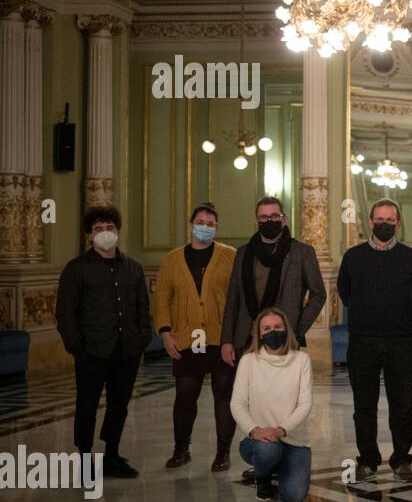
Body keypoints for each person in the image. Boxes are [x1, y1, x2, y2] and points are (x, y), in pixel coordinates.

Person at [55, 205, 153, 478]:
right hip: (92, 350)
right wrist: (76, 346)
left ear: (118, 231)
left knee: (119, 405)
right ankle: (84, 459)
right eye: (98, 229)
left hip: (127, 349)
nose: (105, 233)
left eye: (109, 228)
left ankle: (112, 455)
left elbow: (143, 307)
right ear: (89, 235)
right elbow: (66, 311)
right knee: (86, 405)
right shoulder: (76, 269)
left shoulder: (133, 267)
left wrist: (143, 337)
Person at [337, 198, 412, 483]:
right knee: (363, 405)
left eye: (390, 220)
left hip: (400, 341)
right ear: (370, 221)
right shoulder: (353, 256)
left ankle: (402, 460)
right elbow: (345, 292)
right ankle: (367, 460)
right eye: (380, 219)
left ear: (398, 223)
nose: (384, 224)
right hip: (362, 341)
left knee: (401, 404)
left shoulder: (410, 257)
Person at [155, 203, 237, 472]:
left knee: (223, 396)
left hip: (220, 338)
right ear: (191, 224)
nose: (205, 227)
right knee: (185, 396)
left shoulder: (230, 256)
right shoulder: (172, 259)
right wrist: (165, 332)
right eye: (200, 222)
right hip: (186, 338)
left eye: (210, 224)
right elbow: (162, 299)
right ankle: (181, 449)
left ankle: (223, 452)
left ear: (216, 228)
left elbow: (237, 298)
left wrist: (234, 337)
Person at [220, 196, 326, 362]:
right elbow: (233, 297)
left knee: (282, 388)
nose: (269, 220)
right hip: (247, 337)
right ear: (257, 220)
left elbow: (318, 294)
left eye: (274, 216)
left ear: (284, 219)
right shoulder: (243, 253)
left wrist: (297, 330)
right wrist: (226, 340)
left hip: (285, 337)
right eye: (264, 217)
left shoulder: (302, 252)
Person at [232, 307, 314, 502]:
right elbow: (238, 403)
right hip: (258, 441)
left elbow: (305, 404)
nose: (272, 332)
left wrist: (281, 430)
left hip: (293, 440)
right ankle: (263, 478)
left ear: (286, 329)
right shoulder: (248, 361)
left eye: (277, 326)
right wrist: (254, 430)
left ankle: (277, 467)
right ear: (259, 334)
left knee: (293, 496)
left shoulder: (301, 360)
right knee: (268, 450)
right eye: (266, 328)